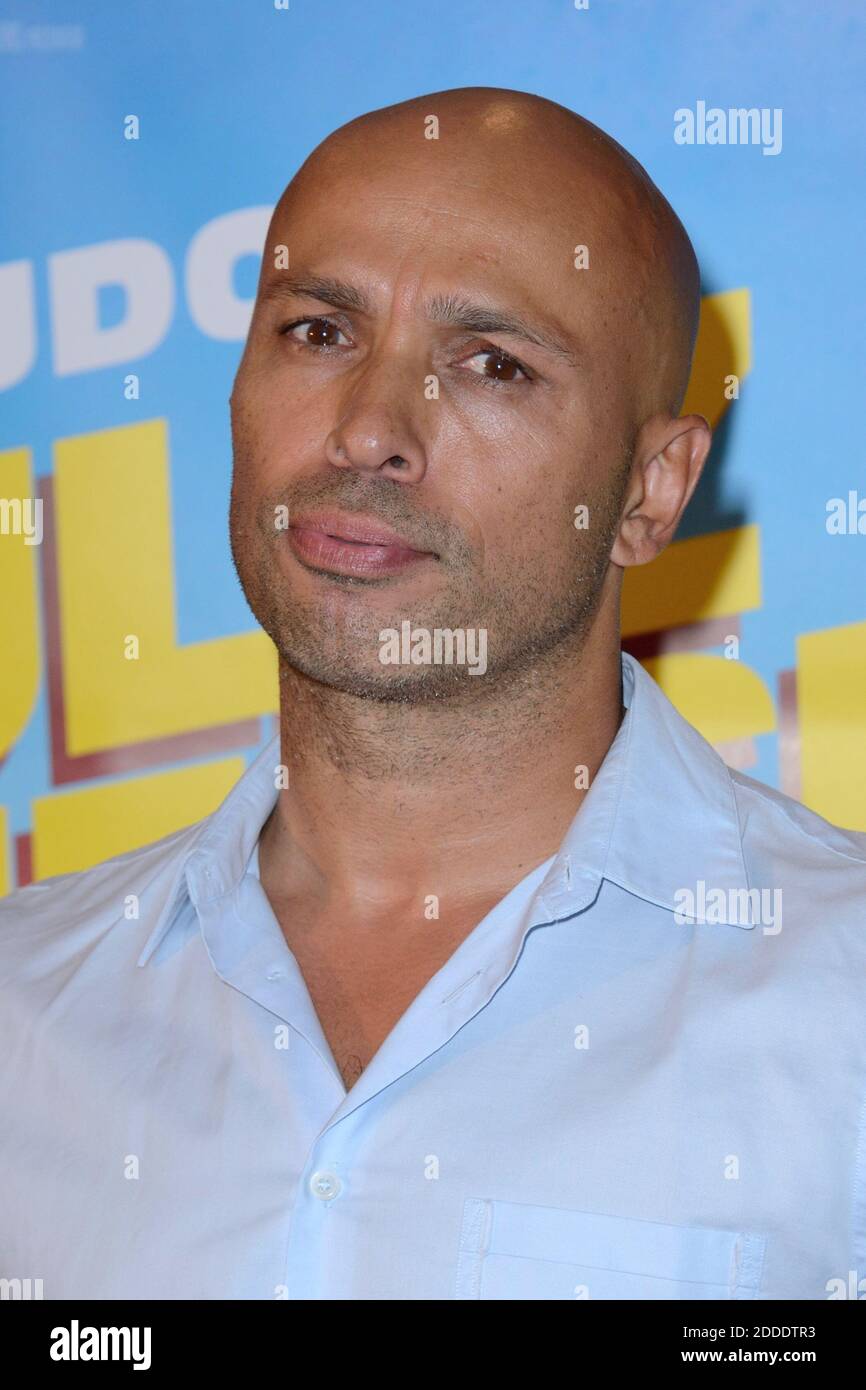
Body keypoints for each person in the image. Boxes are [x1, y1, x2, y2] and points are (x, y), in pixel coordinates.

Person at [1, 87, 864, 1302]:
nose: (366, 430)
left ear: (649, 492)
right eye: (317, 332)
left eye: (490, 364)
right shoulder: (26, 1007)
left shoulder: (841, 1008)